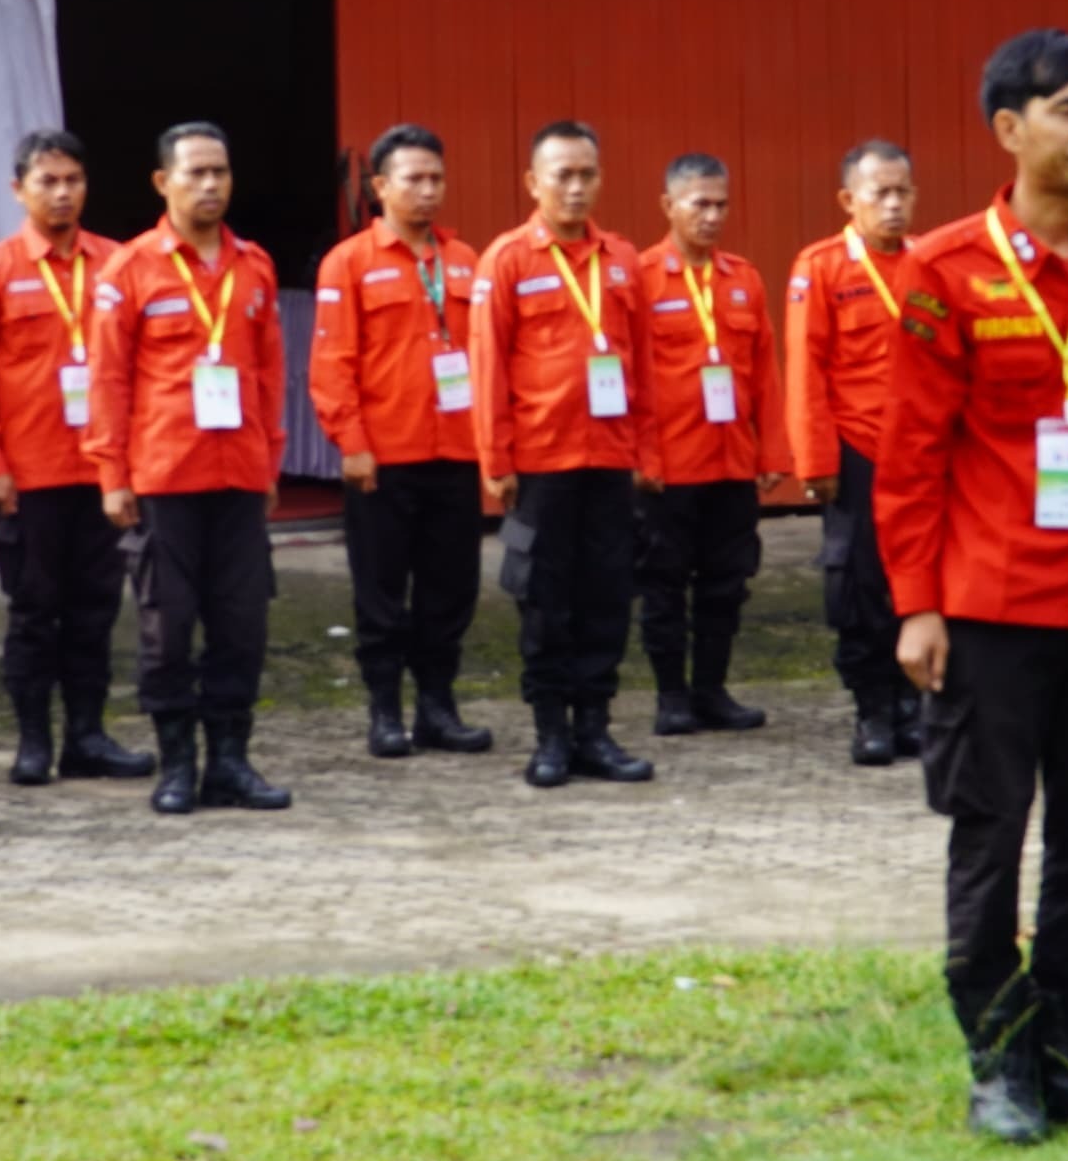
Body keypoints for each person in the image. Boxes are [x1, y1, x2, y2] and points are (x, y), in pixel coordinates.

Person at [883, 31, 1068, 1147]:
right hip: (988, 610)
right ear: (1008, 129)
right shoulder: (945, 271)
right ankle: (997, 1063)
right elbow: (911, 453)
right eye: (1067, 110)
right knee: (989, 831)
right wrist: (914, 600)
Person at [93, 122, 292, 815]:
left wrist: (271, 458)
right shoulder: (131, 268)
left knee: (241, 623)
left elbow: (268, 372)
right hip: (163, 477)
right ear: (162, 182)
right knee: (167, 625)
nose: (211, 185)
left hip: (238, 475)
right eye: (196, 173)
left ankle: (231, 761)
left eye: (221, 172)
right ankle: (177, 763)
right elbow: (109, 381)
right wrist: (112, 474)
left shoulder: (255, 265)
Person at [0, 128, 149, 788]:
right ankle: (33, 742)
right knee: (35, 612)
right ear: (19, 189)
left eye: (73, 180)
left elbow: (140, 367)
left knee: (96, 609)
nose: (62, 193)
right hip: (27, 476)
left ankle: (87, 736)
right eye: (47, 182)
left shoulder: (120, 263)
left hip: (101, 474)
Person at [472, 122, 656, 790]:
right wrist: (497, 460)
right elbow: (489, 365)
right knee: (546, 601)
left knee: (607, 595)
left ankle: (595, 731)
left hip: (609, 459)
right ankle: (550, 735)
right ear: (533, 183)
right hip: (542, 462)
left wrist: (647, 450)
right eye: (562, 176)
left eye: (587, 175)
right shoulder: (508, 259)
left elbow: (645, 366)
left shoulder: (622, 258)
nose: (576, 188)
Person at [312, 124, 493, 761]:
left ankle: (438, 709)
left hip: (456, 453)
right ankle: (384, 712)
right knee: (382, 592)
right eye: (412, 179)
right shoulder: (350, 262)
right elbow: (333, 363)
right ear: (381, 186)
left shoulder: (468, 261)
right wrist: (352, 443)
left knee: (451, 590)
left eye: (436, 178)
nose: (426, 190)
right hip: (384, 460)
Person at [634, 152, 785, 737]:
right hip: (669, 467)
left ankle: (712, 691)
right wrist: (642, 458)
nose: (713, 215)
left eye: (721, 204)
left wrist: (772, 453)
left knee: (727, 584)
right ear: (669, 206)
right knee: (664, 584)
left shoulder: (742, 279)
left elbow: (765, 375)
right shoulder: (641, 279)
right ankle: (671, 697)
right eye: (700, 204)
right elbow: (634, 382)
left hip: (730, 465)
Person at [788, 140, 922, 769]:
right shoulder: (820, 268)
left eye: (903, 192)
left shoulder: (930, 266)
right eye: (880, 194)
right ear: (849, 200)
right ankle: (871, 709)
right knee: (860, 588)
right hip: (858, 451)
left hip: (924, 456)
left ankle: (911, 703)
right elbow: (806, 372)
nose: (894, 205)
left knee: (919, 583)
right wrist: (816, 462)